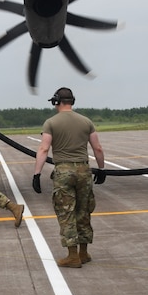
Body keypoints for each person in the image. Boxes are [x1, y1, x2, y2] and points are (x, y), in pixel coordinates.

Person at [32, 87, 105, 268]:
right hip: (84, 170)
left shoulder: (51, 123)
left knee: (66, 212)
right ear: (72, 101)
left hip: (63, 171)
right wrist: (102, 169)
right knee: (83, 211)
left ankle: (72, 256)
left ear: (57, 101)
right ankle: (84, 252)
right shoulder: (86, 121)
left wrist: (37, 174)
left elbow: (43, 149)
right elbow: (98, 148)